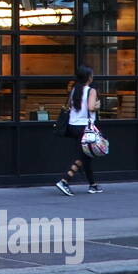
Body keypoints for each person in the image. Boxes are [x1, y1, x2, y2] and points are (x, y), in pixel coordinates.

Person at [55, 64, 103, 195]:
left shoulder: (74, 90)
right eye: (91, 75)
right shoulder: (91, 90)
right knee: (83, 155)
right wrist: (98, 105)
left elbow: (71, 107)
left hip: (72, 126)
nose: (92, 77)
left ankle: (93, 184)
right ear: (88, 77)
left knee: (87, 155)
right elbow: (91, 107)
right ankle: (65, 180)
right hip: (85, 127)